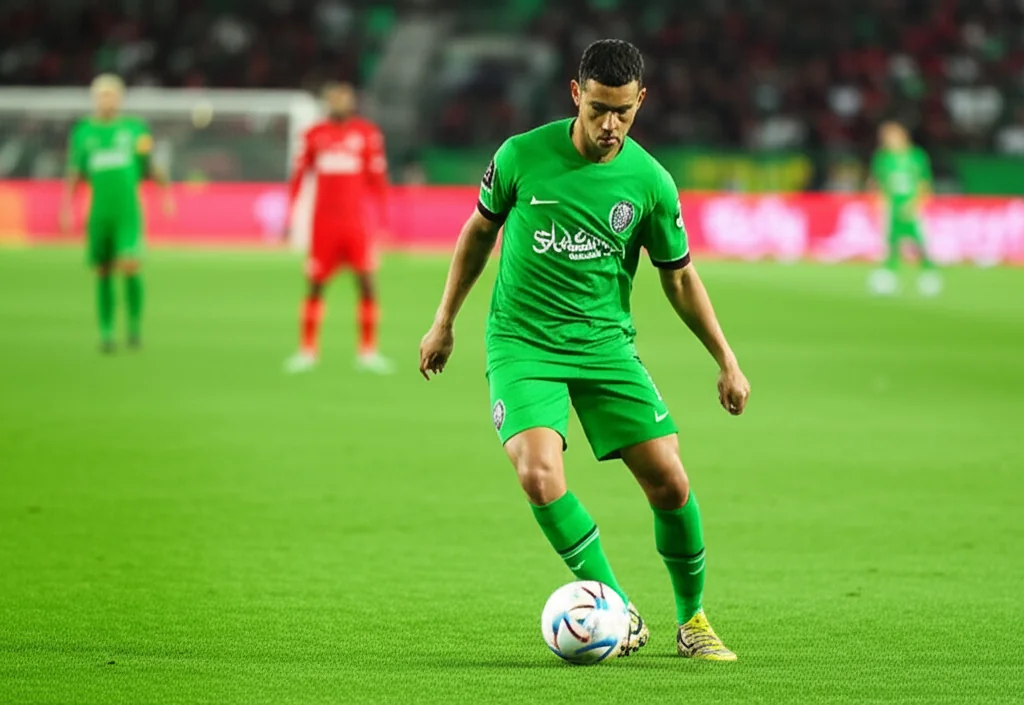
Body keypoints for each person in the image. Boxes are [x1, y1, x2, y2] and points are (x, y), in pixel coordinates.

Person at [418, 40, 750, 661]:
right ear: (576, 94)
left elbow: (678, 275)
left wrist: (725, 359)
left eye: (623, 112)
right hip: (523, 342)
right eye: (598, 109)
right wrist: (444, 322)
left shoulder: (649, 181)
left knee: (671, 482)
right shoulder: (520, 156)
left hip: (604, 347)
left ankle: (694, 620)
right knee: (538, 474)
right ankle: (619, 612)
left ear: (640, 101)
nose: (609, 125)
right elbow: (477, 234)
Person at [284, 82, 392, 374]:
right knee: (316, 285)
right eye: (334, 99)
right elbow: (298, 177)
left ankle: (368, 351)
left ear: (352, 102)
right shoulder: (314, 135)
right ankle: (307, 350)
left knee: (367, 284)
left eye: (344, 99)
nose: (339, 104)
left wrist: (383, 220)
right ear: (327, 103)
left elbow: (378, 180)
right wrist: (290, 214)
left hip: (355, 223)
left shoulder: (367, 134)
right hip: (324, 224)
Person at [61, 74, 173, 353]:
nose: (107, 100)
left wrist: (165, 194)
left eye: (112, 95)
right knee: (102, 271)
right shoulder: (83, 133)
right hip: (99, 211)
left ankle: (134, 328)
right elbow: (75, 173)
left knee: (130, 264)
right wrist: (66, 206)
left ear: (120, 98)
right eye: (102, 95)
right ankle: (106, 332)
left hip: (128, 210)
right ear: (94, 99)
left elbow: (151, 165)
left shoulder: (135, 130)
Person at [867, 121, 941, 296]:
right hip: (891, 206)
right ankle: (890, 273)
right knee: (891, 240)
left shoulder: (917, 156)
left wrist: (915, 203)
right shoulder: (882, 158)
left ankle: (928, 272)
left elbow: (925, 183)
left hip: (911, 205)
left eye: (891, 135)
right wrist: (877, 201)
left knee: (918, 239)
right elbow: (875, 182)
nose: (888, 140)